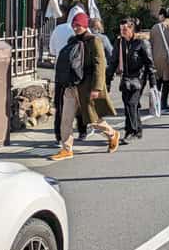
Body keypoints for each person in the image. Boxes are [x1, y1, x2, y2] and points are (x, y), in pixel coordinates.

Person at [50, 12, 118, 160]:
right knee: (66, 118)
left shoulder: (95, 41)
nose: (76, 28)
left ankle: (112, 133)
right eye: (74, 25)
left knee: (92, 120)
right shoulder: (72, 40)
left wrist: (97, 88)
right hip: (71, 85)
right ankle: (66, 149)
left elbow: (100, 64)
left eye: (79, 25)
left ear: (85, 25)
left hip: (87, 86)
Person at [107, 19, 154, 145]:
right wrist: (108, 79)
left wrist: (153, 83)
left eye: (125, 29)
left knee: (131, 103)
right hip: (126, 77)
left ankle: (131, 131)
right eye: (121, 29)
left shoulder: (141, 42)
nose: (122, 31)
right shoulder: (120, 42)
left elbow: (150, 63)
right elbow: (113, 61)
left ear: (131, 29)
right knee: (130, 103)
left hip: (139, 77)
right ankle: (138, 130)